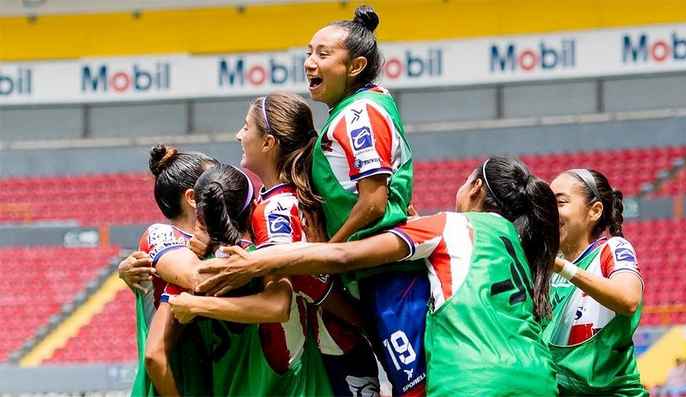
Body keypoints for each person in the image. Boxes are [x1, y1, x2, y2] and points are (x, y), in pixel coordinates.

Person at [197, 157, 560, 396]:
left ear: (477, 188)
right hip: (538, 378)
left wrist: (259, 263)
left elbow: (345, 255)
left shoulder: (450, 225)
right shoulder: (512, 242)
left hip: (473, 381)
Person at [173, 93, 378, 396]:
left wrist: (197, 304)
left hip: (329, 360)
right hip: (340, 353)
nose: (238, 135)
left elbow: (291, 294)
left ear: (268, 142)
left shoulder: (275, 210)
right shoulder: (295, 197)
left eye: (246, 127)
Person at [302, 6, 425, 394]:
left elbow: (373, 203)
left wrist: (326, 255)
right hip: (374, 270)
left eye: (323, 54)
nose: (309, 64)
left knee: (415, 384)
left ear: (355, 66)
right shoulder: (363, 105)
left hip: (387, 273)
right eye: (308, 52)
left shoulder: (358, 115)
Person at [122, 144, 217, 397]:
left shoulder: (216, 239)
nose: (223, 186)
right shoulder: (162, 235)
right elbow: (194, 277)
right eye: (214, 181)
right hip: (172, 384)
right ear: (192, 198)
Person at [544, 168, 646, 396]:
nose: (549, 214)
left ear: (595, 211)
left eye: (560, 203)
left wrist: (562, 267)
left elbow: (628, 300)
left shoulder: (613, 249)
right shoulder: (546, 268)